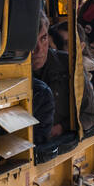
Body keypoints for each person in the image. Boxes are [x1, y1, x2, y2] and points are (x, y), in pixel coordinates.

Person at [31, 8, 72, 143]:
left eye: (43, 39)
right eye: (30, 42)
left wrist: (62, 127)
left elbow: (89, 114)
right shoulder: (6, 72)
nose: (38, 50)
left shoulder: (68, 63)